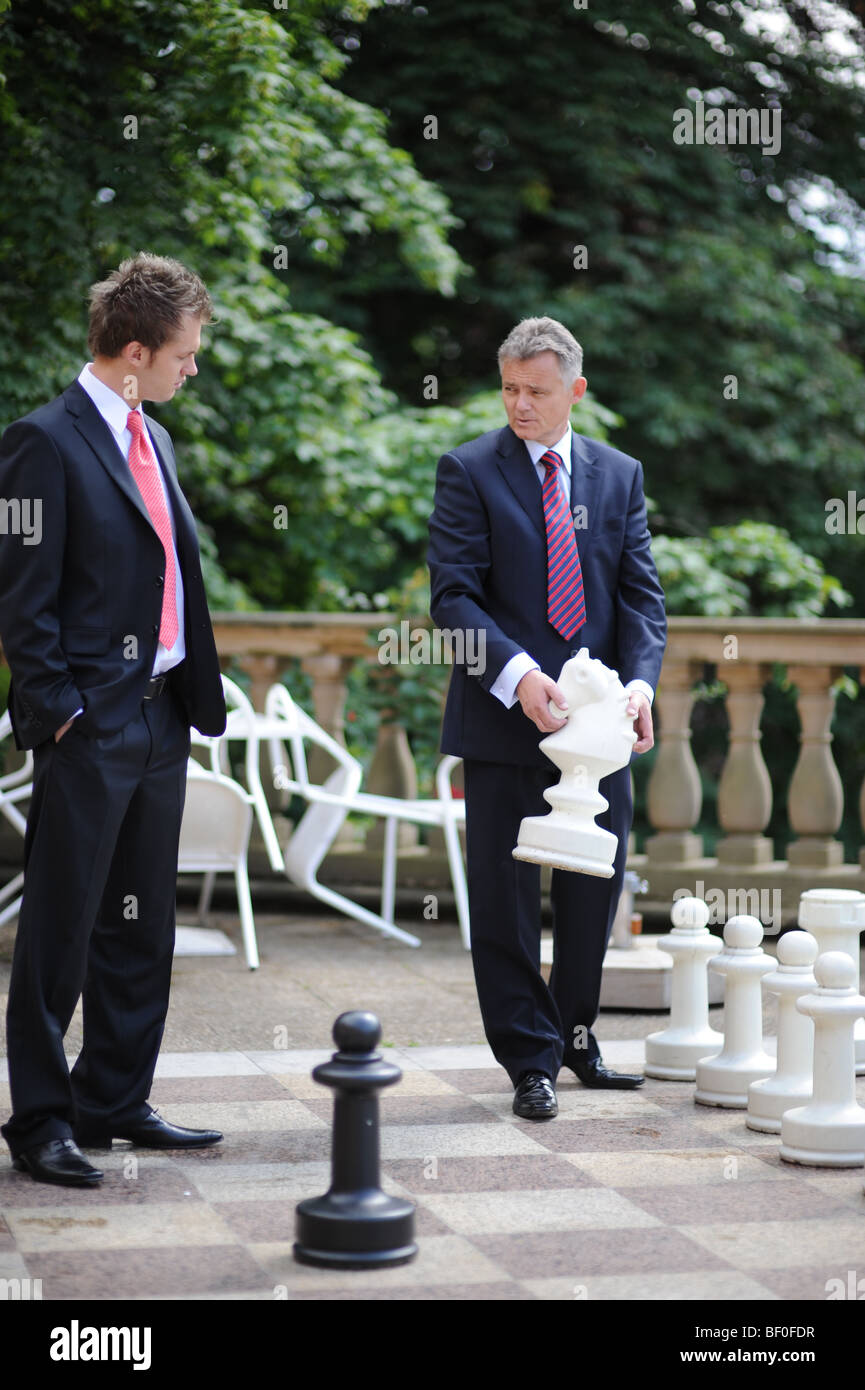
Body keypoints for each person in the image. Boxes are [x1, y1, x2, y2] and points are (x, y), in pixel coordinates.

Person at [0, 252, 227, 1185]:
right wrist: (61, 714)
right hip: (90, 727)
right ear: (134, 350)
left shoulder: (154, 438)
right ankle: (42, 1120)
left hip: (162, 718)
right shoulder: (38, 442)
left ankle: (114, 1099)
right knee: (62, 928)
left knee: (141, 927)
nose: (192, 369)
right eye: (183, 354)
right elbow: (22, 598)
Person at [428, 316, 666, 1119]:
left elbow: (640, 600)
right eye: (508, 389)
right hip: (502, 722)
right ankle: (527, 1058)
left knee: (591, 891)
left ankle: (572, 1035)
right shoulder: (466, 470)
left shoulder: (620, 474)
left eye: (535, 390)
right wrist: (520, 675)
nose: (519, 404)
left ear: (576, 390)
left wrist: (638, 688)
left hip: (600, 732)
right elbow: (451, 600)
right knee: (502, 899)